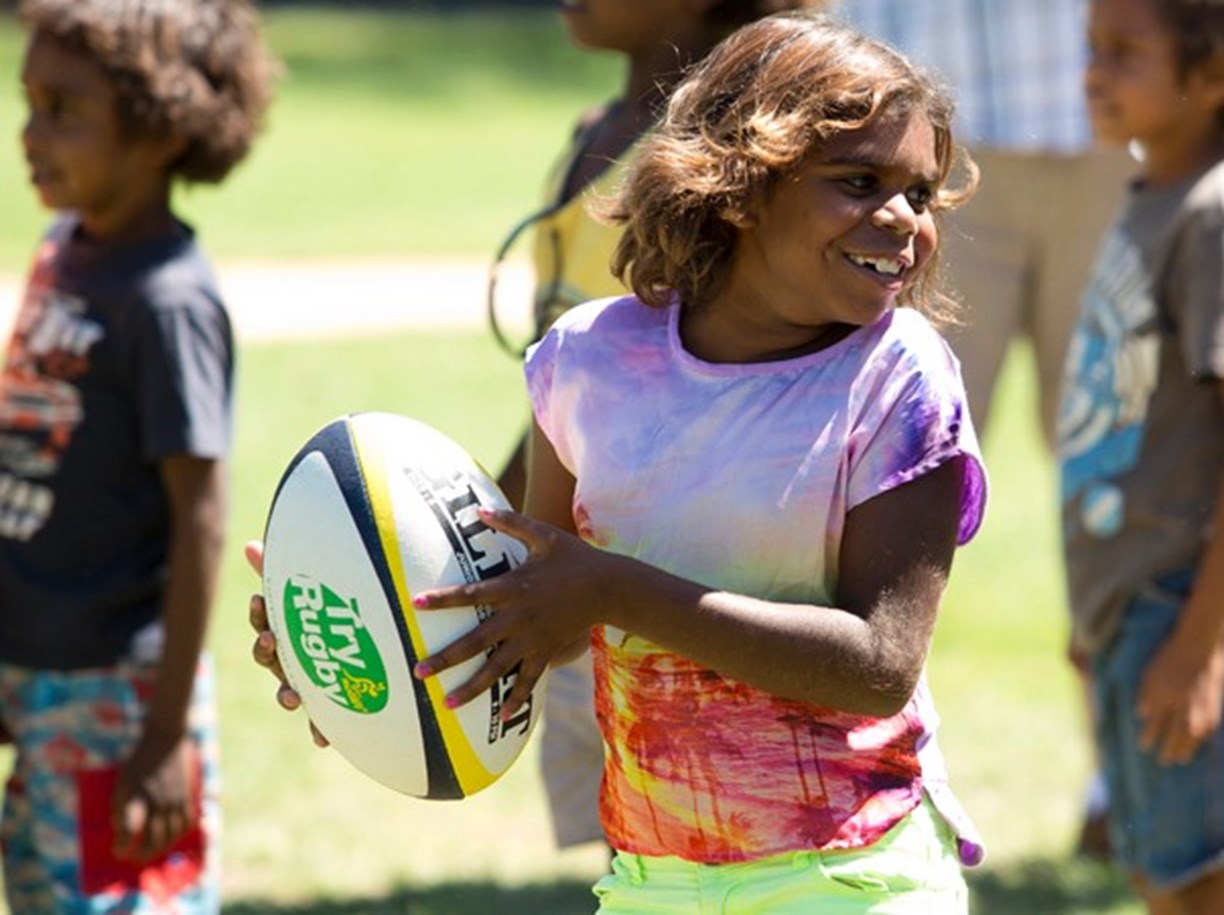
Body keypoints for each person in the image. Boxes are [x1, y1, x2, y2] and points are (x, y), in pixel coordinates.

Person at [255, 11, 989, 909]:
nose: (904, 219)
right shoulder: (589, 364)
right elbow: (543, 616)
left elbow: (878, 664)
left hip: (853, 873)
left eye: (922, 193)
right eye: (860, 180)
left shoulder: (901, 377)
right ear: (743, 185)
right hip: (653, 877)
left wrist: (618, 590)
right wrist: (364, 637)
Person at [490, 0, 825, 855]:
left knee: (674, 812)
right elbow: (566, 395)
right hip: (571, 540)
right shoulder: (596, 129)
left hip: (661, 569)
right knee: (633, 835)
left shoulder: (722, 159)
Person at [829, 0, 1136, 858]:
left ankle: (1134, 775)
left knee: (1133, 473)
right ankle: (833, 783)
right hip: (919, 130)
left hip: (1124, 124)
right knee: (874, 466)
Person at [0, 1, 276, 911]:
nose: (29, 132)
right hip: (34, 669)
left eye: (63, 110)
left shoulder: (166, 302)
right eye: (27, 101)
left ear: (158, 132)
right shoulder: (63, 251)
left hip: (118, 698)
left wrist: (164, 740)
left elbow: (200, 515)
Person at [1058, 0, 1224, 911]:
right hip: (1129, 605)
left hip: (1176, 608)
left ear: (1213, 77)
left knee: (1192, 879)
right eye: (1091, 48)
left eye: (1125, 53)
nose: (1094, 72)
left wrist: (1200, 646)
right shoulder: (1151, 194)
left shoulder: (1210, 215)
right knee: (1154, 867)